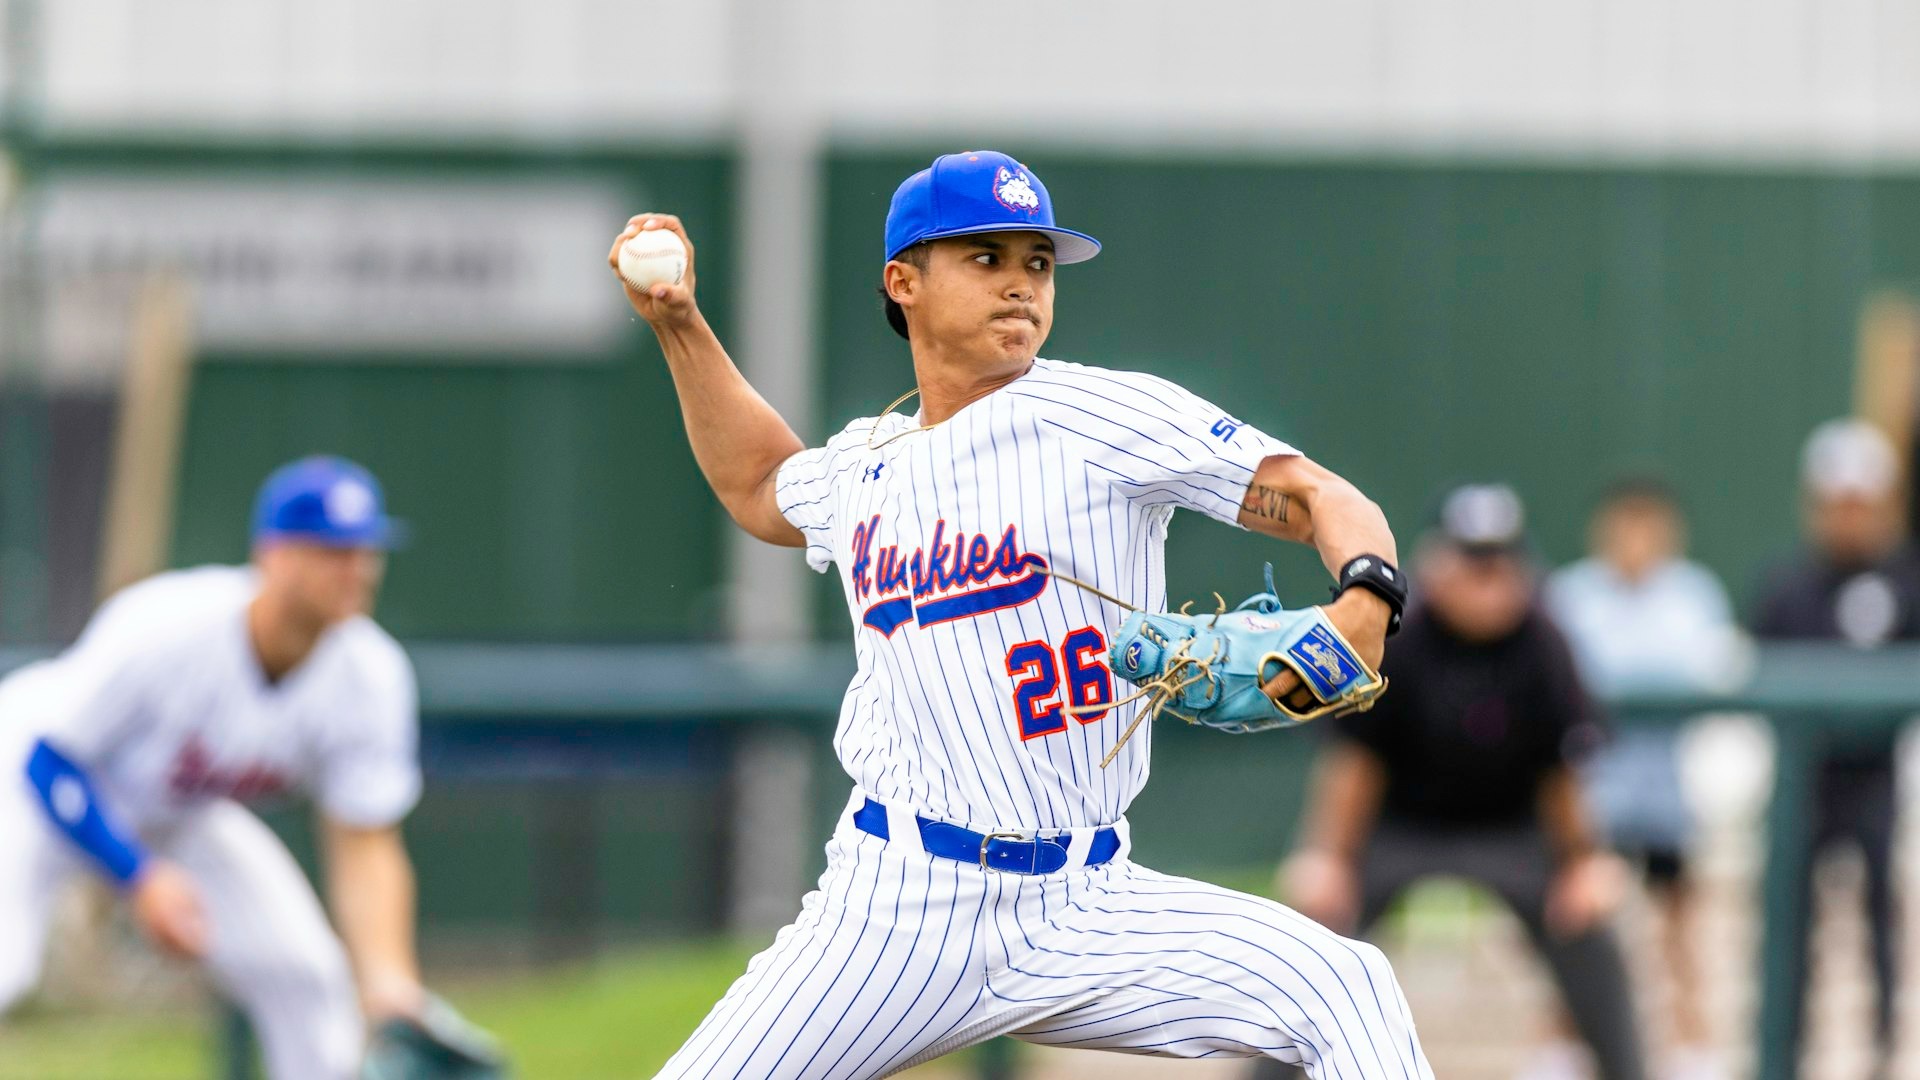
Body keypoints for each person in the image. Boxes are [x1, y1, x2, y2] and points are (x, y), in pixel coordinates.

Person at [617, 150, 1433, 1078]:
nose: (1020, 286)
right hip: (896, 906)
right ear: (904, 283)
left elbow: (1320, 494)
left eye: (1037, 264)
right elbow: (761, 482)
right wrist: (679, 323)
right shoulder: (865, 464)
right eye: (986, 258)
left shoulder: (1101, 416)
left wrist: (1369, 596)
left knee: (1344, 985)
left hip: (1087, 900)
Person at [0, 456, 427, 1080]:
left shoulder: (370, 675)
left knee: (304, 972)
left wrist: (392, 984)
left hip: (172, 810)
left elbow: (366, 841)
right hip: (29, 786)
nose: (356, 569)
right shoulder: (168, 625)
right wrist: (138, 876)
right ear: (274, 555)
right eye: (333, 550)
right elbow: (48, 763)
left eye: (366, 550)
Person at [1260, 484, 1646, 1080]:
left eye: (1499, 563)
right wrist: (1326, 857)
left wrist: (1582, 861)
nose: (1486, 580)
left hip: (1511, 829)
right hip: (1400, 826)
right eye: (1471, 562)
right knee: (1318, 934)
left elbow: (1562, 773)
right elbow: (1355, 765)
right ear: (1436, 563)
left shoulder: (1544, 640)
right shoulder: (1397, 636)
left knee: (1588, 925)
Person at [1545, 478, 1740, 1080]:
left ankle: (1693, 1050)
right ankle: (1561, 1051)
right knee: (1577, 928)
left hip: (1665, 796)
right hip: (1589, 797)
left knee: (1679, 926)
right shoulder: (1570, 595)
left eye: (1646, 523)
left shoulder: (1694, 596)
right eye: (1623, 523)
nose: (1634, 538)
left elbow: (1710, 678)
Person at [1751, 418, 1920, 1073]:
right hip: (1801, 782)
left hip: (1878, 777)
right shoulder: (1785, 585)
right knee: (1790, 919)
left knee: (1882, 911)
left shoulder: (1906, 582)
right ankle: (1784, 1048)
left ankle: (1882, 1049)